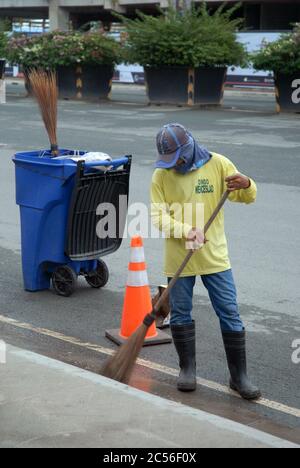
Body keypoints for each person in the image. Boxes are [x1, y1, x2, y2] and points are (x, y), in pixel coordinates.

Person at [151, 123, 261, 400]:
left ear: (189, 149)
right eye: (168, 161)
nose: (172, 165)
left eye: (176, 159)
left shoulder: (219, 164)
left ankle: (239, 377)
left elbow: (248, 197)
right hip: (179, 259)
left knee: (229, 311)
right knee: (181, 312)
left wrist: (246, 183)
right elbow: (157, 217)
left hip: (215, 258)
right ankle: (187, 369)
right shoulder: (161, 176)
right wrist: (186, 231)